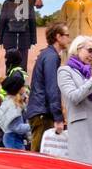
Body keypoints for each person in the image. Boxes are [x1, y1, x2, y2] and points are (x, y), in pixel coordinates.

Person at [56, 34, 92, 164]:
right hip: (82, 130)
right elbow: (74, 97)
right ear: (78, 49)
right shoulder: (65, 71)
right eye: (89, 50)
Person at [25, 22, 70, 151]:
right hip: (42, 113)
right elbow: (52, 88)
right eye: (66, 35)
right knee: (39, 157)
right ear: (58, 37)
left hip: (40, 111)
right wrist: (58, 117)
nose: (68, 38)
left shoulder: (47, 54)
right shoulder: (51, 57)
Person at [0, 71, 30, 150]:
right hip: (14, 140)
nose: (25, 88)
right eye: (23, 86)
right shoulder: (13, 106)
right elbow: (17, 127)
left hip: (11, 138)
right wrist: (32, 126)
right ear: (18, 89)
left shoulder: (9, 101)